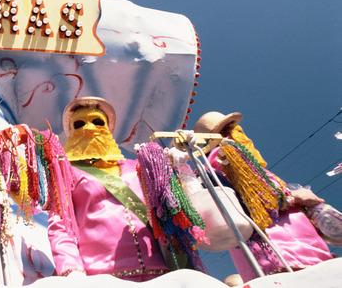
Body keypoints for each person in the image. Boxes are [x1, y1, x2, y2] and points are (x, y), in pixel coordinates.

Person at [193, 111, 334, 282]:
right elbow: (252, 199)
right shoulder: (223, 156)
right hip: (285, 249)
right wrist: (293, 197)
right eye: (229, 130)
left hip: (284, 249)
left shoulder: (219, 162)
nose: (237, 133)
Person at [47, 97, 171, 281]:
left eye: (97, 121)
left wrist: (178, 170)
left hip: (160, 271)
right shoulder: (66, 173)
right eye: (79, 124)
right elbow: (61, 223)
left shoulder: (139, 166)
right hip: (99, 275)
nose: (89, 128)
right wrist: (71, 269)